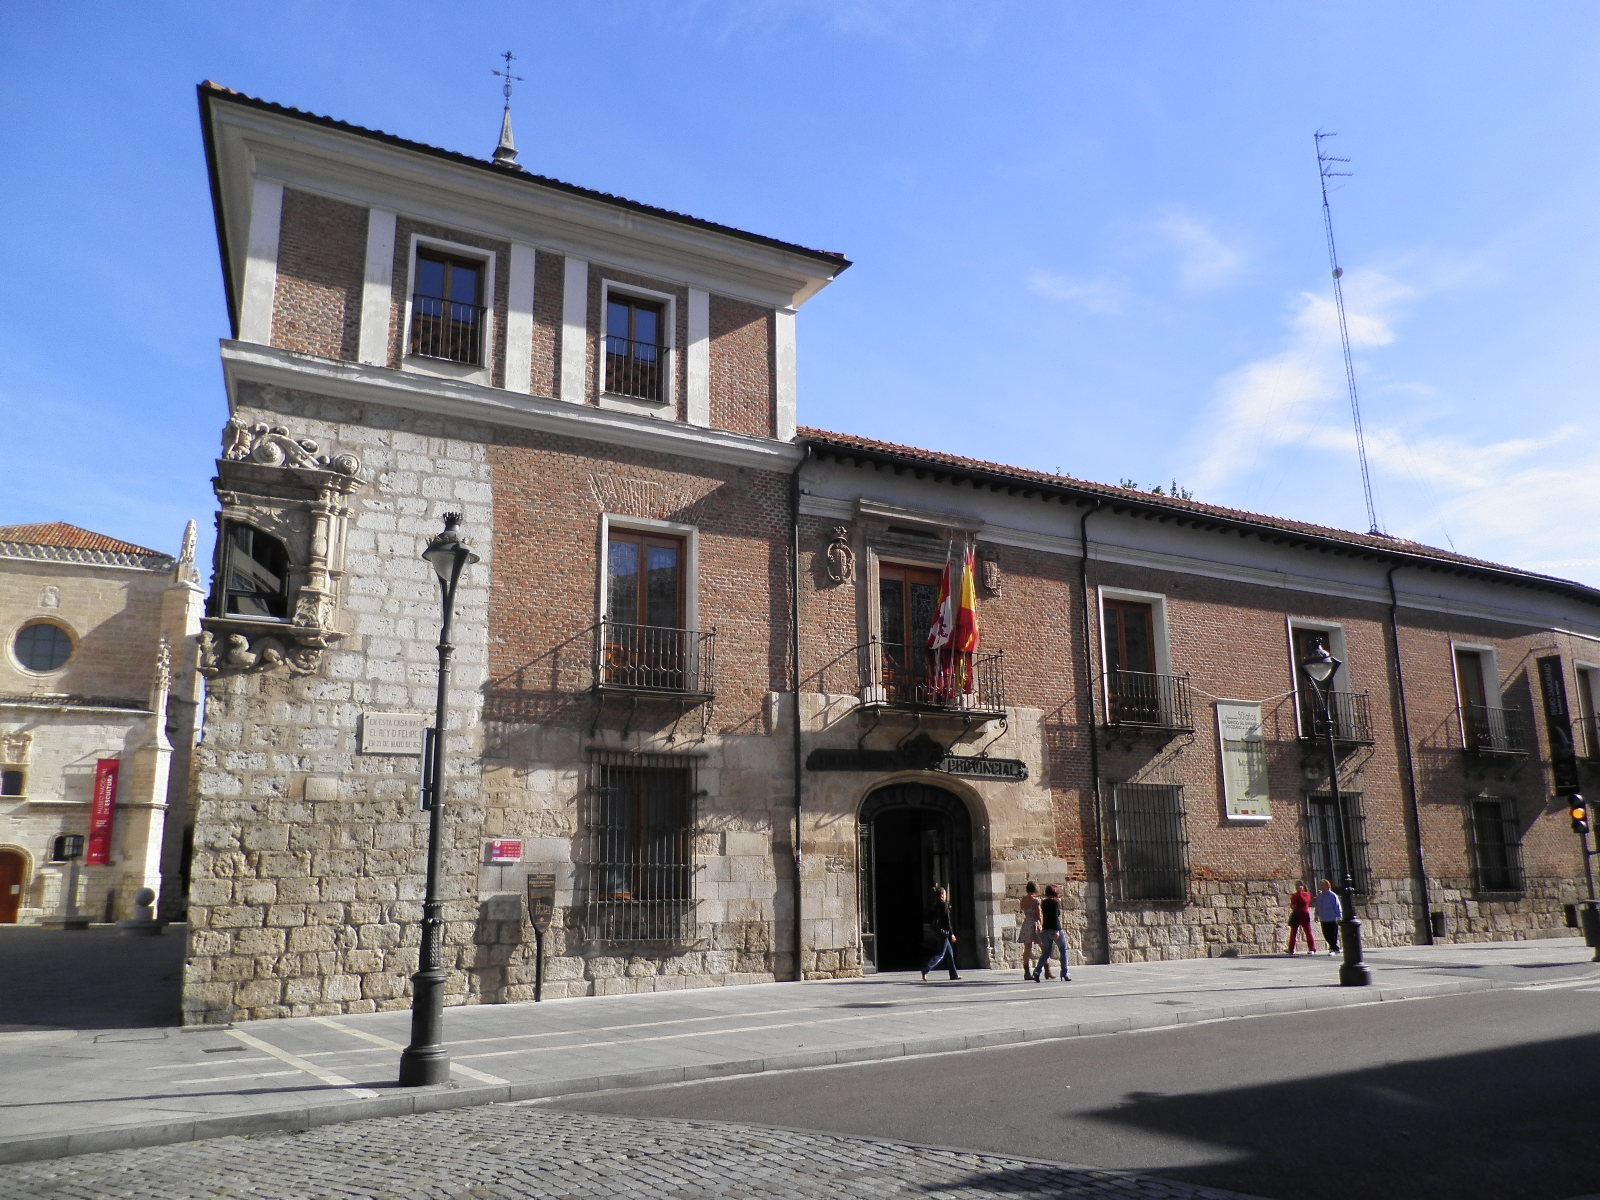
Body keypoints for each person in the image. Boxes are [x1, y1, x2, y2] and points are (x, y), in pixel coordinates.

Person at [1031, 884, 1071, 981]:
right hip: (1055, 929)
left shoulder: (1044, 903)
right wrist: (1057, 931)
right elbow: (1055, 916)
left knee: (1046, 952)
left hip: (1045, 929)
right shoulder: (1055, 903)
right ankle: (1064, 973)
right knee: (1063, 949)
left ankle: (1037, 971)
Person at [921, 885, 961, 981]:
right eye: (945, 894)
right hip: (944, 933)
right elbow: (947, 921)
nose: (946, 896)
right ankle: (926, 969)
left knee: (950, 953)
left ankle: (953, 974)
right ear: (942, 895)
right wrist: (952, 934)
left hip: (939, 932)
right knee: (941, 954)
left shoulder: (936, 904)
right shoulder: (944, 905)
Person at [1019, 881, 1052, 980]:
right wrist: (1042, 925)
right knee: (1044, 948)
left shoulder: (1023, 899)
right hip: (1035, 924)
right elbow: (1039, 914)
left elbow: (1024, 910)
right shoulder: (1036, 900)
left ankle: (1027, 972)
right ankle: (1047, 971)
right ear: (1035, 889)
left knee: (1027, 948)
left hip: (1027, 923)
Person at [1286, 879, 1317, 955]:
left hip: (1304, 915)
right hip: (1296, 915)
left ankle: (1312, 948)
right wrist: (1293, 905)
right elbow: (1293, 904)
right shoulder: (1294, 895)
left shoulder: (1307, 894)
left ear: (1303, 886)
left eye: (1299, 885)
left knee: (1308, 932)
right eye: (1296, 885)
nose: (1297, 887)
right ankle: (1291, 949)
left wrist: (1300, 893)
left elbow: (1304, 901)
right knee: (1293, 932)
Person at [1315, 878, 1342, 955]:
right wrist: (1316, 915)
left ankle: (1332, 948)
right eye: (1320, 885)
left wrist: (1339, 916)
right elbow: (1317, 906)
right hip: (1323, 918)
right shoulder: (1319, 896)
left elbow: (1337, 906)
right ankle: (1335, 947)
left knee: (1333, 934)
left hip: (1332, 918)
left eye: (1323, 885)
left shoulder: (1333, 895)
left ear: (1327, 886)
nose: (1321, 887)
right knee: (1326, 934)